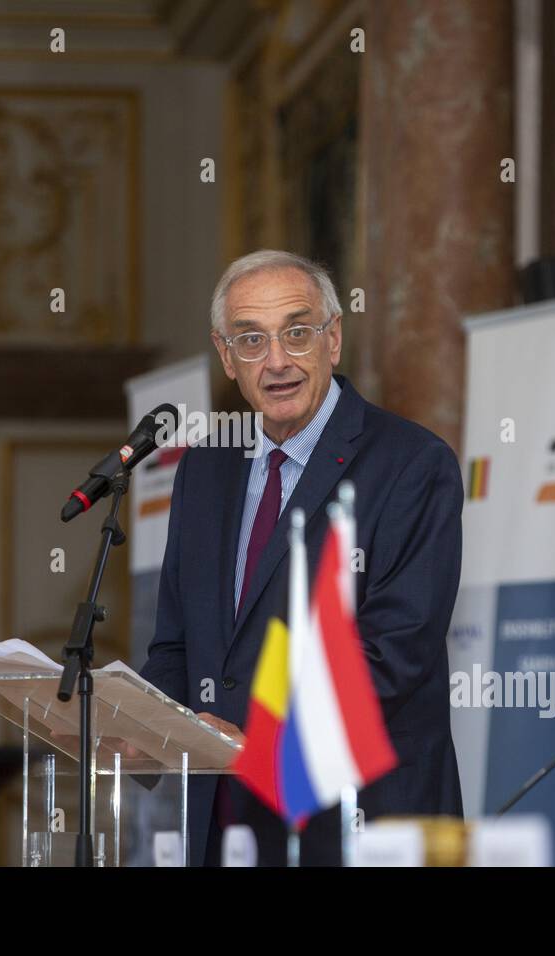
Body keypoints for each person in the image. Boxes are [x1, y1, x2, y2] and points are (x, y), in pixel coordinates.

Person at [139, 249, 464, 866]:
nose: (277, 360)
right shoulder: (204, 470)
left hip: (356, 824)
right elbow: (178, 647)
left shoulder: (411, 465)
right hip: (226, 825)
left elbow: (395, 652)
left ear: (333, 339)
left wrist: (258, 741)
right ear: (226, 356)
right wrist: (137, 731)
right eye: (251, 340)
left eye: (296, 333)